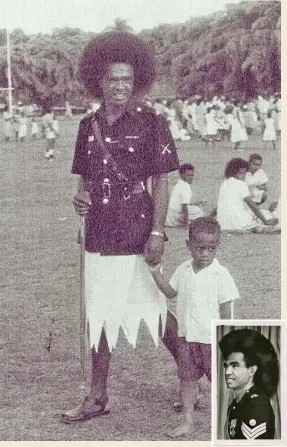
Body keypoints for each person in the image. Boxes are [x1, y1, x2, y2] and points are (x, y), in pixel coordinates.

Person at [61, 31, 180, 424]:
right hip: (98, 233)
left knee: (160, 315)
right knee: (100, 312)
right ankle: (97, 397)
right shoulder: (86, 125)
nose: (120, 87)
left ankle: (203, 376)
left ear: (136, 82)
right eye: (113, 79)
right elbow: (85, 181)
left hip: (137, 230)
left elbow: (163, 180)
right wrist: (80, 200)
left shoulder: (152, 123)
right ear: (100, 81)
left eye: (127, 80)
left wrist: (158, 232)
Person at [150, 217, 240, 437]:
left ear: (217, 246)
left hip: (212, 341)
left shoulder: (221, 275)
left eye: (211, 248)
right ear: (188, 244)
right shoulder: (183, 270)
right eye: (200, 248)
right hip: (187, 340)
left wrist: (226, 338)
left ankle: (233, 421)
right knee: (187, 381)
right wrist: (154, 273)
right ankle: (188, 422)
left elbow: (226, 308)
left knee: (224, 383)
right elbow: (170, 292)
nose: (205, 254)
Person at [219, 328, 279, 440]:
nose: (227, 372)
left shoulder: (256, 409)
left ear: (251, 370)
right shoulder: (239, 402)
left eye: (235, 366)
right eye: (226, 366)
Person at [217, 158, 278, 231]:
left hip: (224, 225)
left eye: (244, 173)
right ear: (233, 173)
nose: (244, 176)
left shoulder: (224, 184)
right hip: (239, 223)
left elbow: (220, 205)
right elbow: (251, 204)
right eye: (241, 173)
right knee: (266, 215)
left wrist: (210, 216)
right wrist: (265, 221)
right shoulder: (241, 184)